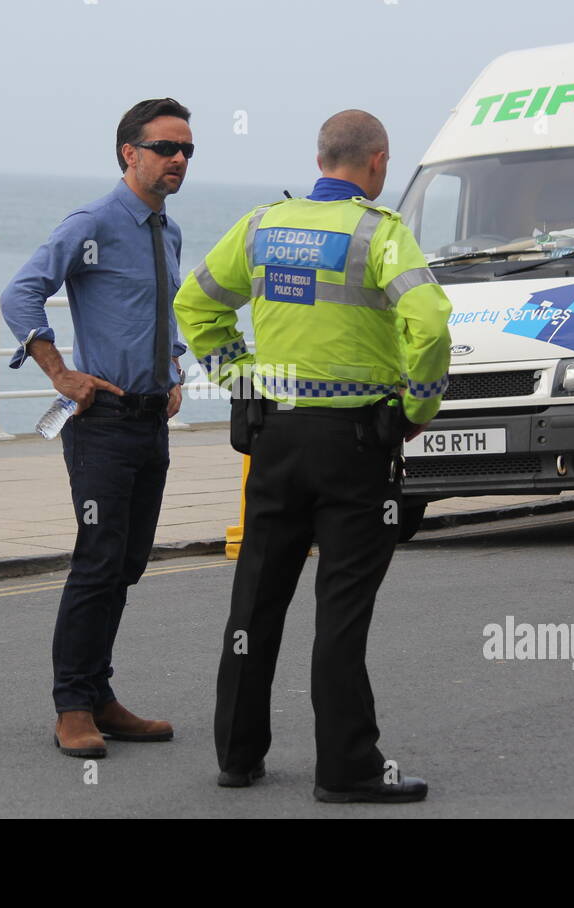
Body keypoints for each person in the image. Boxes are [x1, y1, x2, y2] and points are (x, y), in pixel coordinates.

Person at [173, 109, 453, 802]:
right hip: (356, 443)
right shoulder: (380, 233)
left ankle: (238, 756)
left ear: (321, 156)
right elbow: (431, 322)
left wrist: (241, 382)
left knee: (257, 599)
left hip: (276, 440)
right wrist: (415, 408)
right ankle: (347, 769)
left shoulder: (262, 226)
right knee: (342, 607)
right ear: (378, 163)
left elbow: (196, 304)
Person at [0, 98, 193, 758]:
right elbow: (20, 293)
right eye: (166, 147)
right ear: (128, 153)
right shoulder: (95, 222)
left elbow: (159, 312)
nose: (178, 160)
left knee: (127, 563)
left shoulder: (166, 230)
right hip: (101, 423)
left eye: (187, 150)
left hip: (149, 424)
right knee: (98, 560)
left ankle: (102, 695)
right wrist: (59, 372)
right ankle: (73, 707)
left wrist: (174, 368)